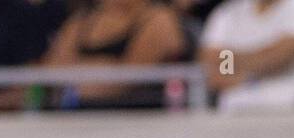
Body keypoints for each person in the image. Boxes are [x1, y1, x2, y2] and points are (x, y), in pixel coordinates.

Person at [41, 0, 188, 109]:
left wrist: (79, 72)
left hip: (137, 121)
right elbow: (51, 73)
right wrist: (105, 66)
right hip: (77, 120)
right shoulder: (80, 21)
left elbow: (129, 78)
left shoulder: (160, 20)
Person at [198, 0, 294, 112]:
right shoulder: (227, 13)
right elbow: (214, 71)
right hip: (233, 115)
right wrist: (258, 66)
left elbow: (280, 58)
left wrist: (230, 58)